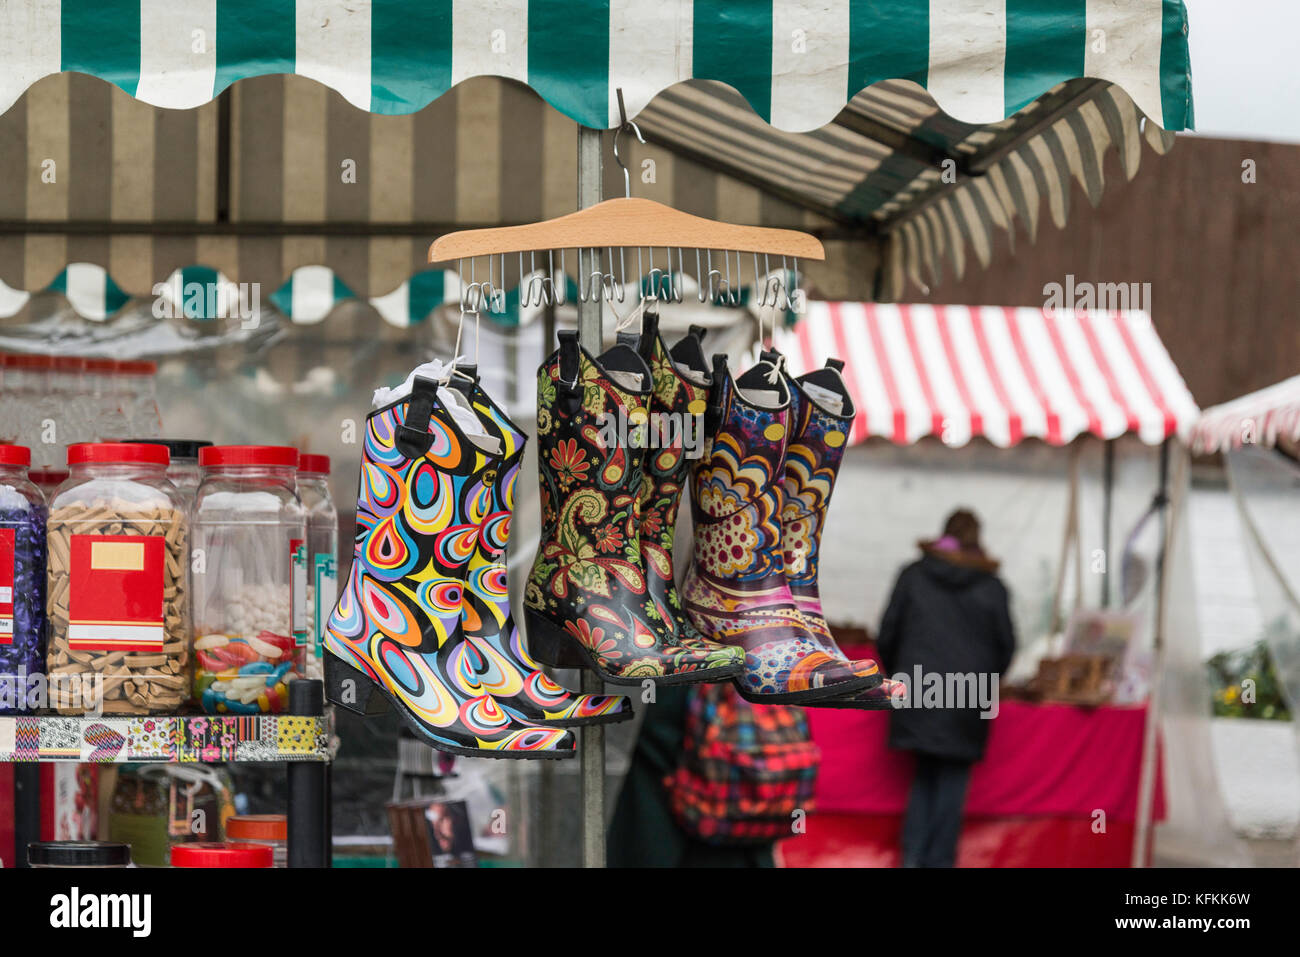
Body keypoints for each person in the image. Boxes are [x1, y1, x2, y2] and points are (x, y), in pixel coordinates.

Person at [876, 508, 1016, 868]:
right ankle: (939, 862)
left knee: (924, 775)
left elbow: (887, 634)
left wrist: (903, 677)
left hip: (919, 689)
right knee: (952, 782)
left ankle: (912, 859)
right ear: (977, 539)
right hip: (970, 695)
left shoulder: (914, 575)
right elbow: (1006, 647)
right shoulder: (993, 586)